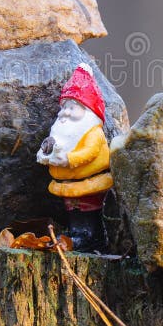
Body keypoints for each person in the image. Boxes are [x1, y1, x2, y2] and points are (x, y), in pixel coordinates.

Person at [37, 63, 111, 250]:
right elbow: (50, 147)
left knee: (87, 209)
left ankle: (90, 236)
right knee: (73, 209)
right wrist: (44, 155)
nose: (66, 112)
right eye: (65, 106)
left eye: (73, 107)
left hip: (90, 183)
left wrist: (69, 160)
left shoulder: (93, 132)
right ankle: (75, 231)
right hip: (67, 184)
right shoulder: (61, 130)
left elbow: (90, 152)